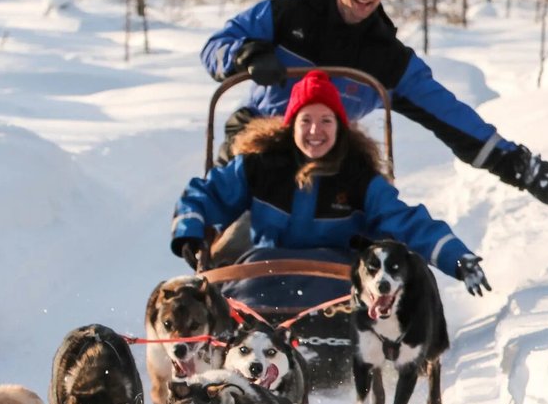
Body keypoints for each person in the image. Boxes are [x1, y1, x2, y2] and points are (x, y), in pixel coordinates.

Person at [201, 0, 548, 206]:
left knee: (364, 198)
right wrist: (245, 55)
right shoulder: (286, 15)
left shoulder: (386, 57)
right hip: (261, 132)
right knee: (235, 184)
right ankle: (218, 258)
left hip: (330, 147)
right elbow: (216, 45)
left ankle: (356, 278)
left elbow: (449, 114)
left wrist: (516, 164)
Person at [170, 70, 491, 308]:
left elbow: (407, 223)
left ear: (339, 127)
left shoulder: (358, 177)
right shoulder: (259, 166)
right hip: (262, 277)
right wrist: (189, 230)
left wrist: (456, 258)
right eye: (306, 120)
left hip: (337, 284)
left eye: (326, 121)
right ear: (291, 125)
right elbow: (204, 193)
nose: (315, 131)